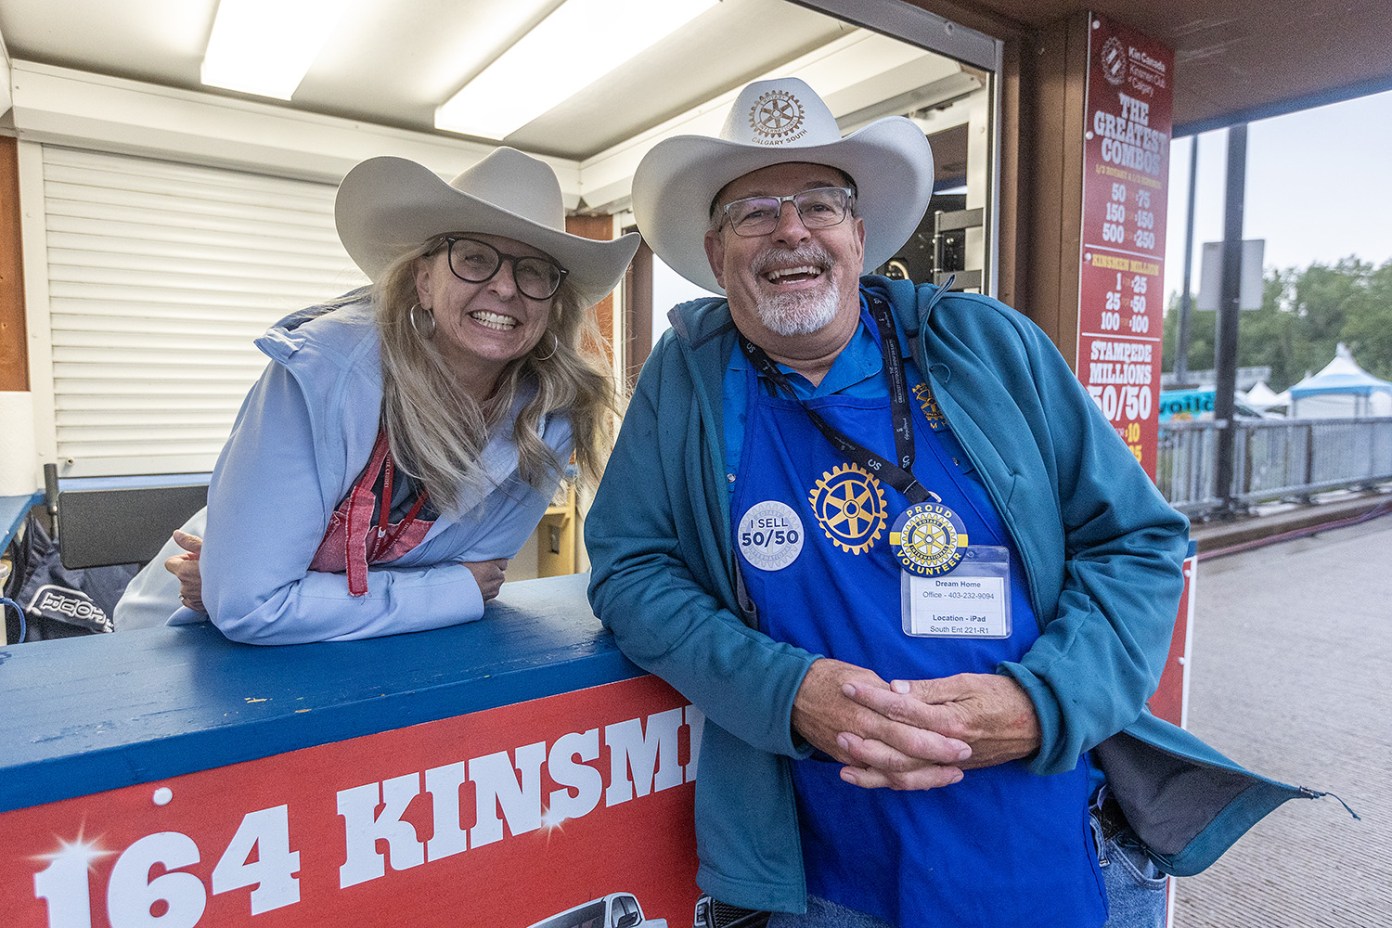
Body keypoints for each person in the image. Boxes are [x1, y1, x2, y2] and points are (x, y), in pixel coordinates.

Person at [585, 78, 1316, 927]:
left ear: (858, 237)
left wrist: (1041, 701)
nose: (790, 229)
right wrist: (787, 692)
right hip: (817, 872)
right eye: (754, 212)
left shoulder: (988, 345)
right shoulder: (687, 377)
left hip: (1046, 835)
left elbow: (1138, 543)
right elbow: (631, 571)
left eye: (819, 205)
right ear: (718, 255)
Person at [143, 148, 636, 644]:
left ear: (552, 304)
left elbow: (481, 575)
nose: (505, 288)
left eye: (534, 271)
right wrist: (448, 590)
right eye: (475, 259)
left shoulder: (549, 419)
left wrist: (259, 587)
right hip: (175, 642)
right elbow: (252, 607)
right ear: (424, 281)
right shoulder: (319, 370)